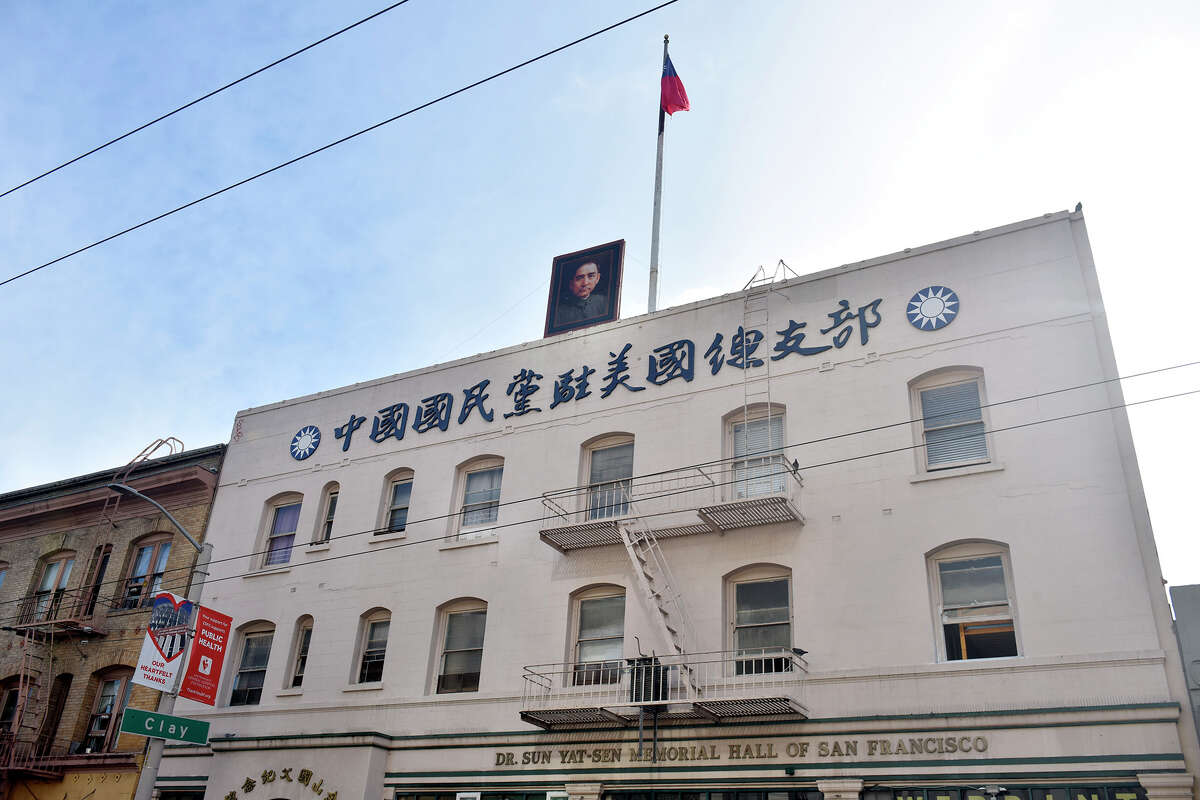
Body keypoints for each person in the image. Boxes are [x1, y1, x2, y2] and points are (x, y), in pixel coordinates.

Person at [555, 261, 609, 326]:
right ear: (570, 283)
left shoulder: (604, 301)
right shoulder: (559, 313)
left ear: (597, 278)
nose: (585, 283)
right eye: (579, 278)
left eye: (591, 276)